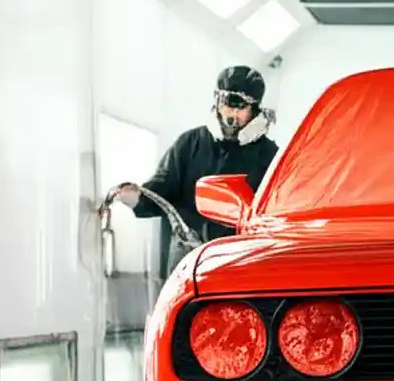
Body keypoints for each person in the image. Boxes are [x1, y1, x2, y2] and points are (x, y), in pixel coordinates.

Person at [114, 65, 279, 274]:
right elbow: (163, 188)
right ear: (217, 101)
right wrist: (138, 198)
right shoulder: (190, 144)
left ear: (254, 110)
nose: (233, 113)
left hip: (239, 260)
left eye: (241, 107)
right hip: (186, 258)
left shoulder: (269, 155)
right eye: (228, 104)